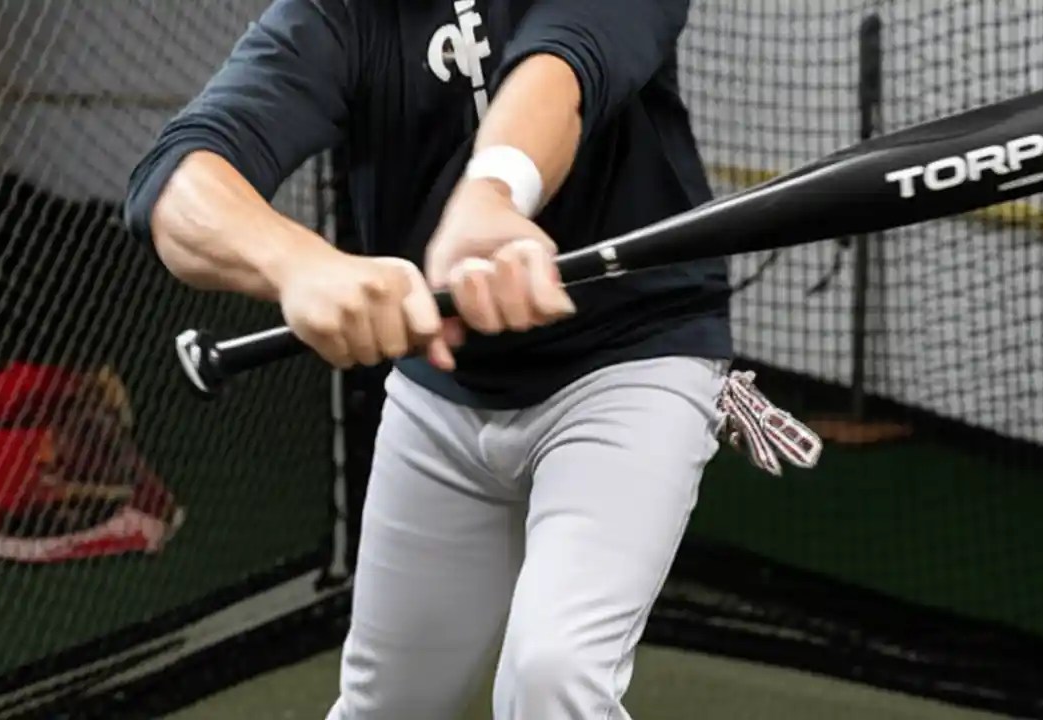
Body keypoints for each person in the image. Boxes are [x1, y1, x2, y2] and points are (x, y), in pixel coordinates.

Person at [126, 1, 747, 717]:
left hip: (629, 363)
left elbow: (564, 60)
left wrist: (494, 194)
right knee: (387, 705)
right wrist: (297, 264)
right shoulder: (339, 15)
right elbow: (175, 178)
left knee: (554, 673)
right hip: (442, 390)